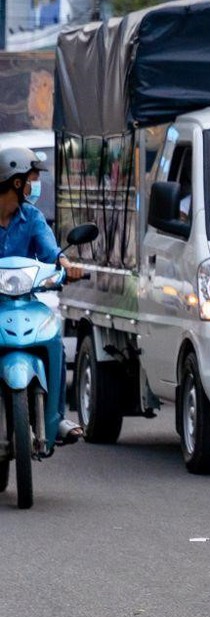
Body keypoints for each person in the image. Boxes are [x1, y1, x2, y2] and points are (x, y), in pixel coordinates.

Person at [0, 146, 83, 446]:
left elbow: (52, 252)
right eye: (33, 178)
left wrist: (67, 266)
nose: (36, 184)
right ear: (17, 182)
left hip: (25, 302)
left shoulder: (32, 217)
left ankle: (55, 417)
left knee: (53, 339)